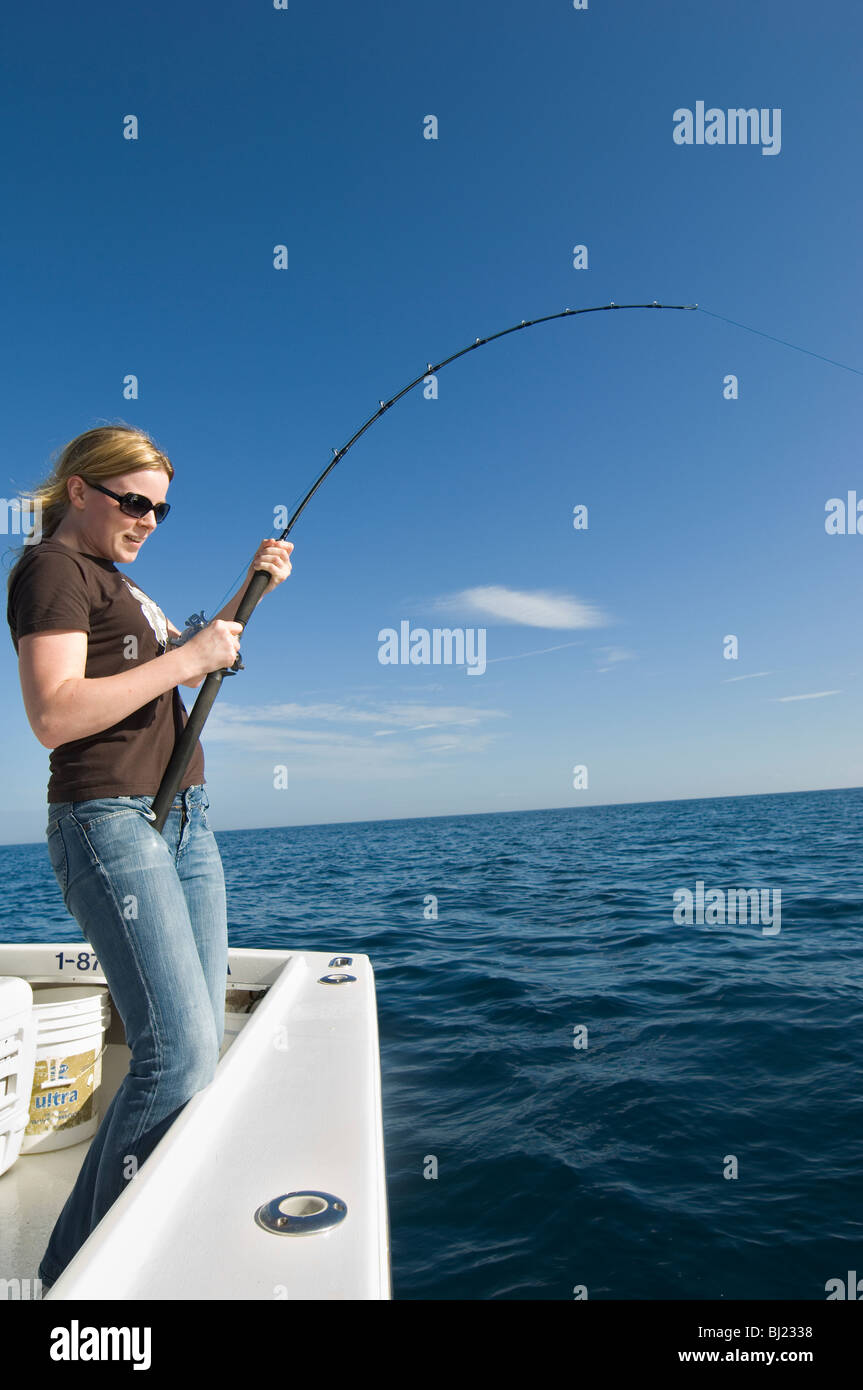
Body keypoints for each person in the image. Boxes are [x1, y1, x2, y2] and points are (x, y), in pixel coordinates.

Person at [5, 424, 294, 1291]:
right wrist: (191, 656)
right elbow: (54, 714)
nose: (150, 520)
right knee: (173, 1053)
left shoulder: (119, 585)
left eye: (162, 509)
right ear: (82, 491)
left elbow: (167, 669)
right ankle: (72, 1287)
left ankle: (109, 1263)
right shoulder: (50, 570)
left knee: (196, 1045)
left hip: (183, 820)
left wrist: (246, 593)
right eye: (135, 502)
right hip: (112, 819)